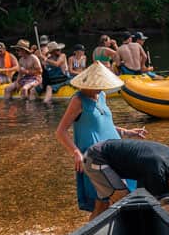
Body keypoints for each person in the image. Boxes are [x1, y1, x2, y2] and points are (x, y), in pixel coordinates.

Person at [55, 62, 147, 216]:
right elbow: (60, 132)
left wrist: (127, 132)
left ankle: (106, 233)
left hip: (113, 152)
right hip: (94, 157)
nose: (103, 88)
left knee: (110, 199)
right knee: (104, 201)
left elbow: (105, 124)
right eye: (99, 84)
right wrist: (76, 153)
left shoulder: (102, 96)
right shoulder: (78, 100)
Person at [81, 138, 169, 217]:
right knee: (128, 203)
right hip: (97, 159)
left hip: (105, 153)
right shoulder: (156, 173)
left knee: (102, 206)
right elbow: (151, 207)